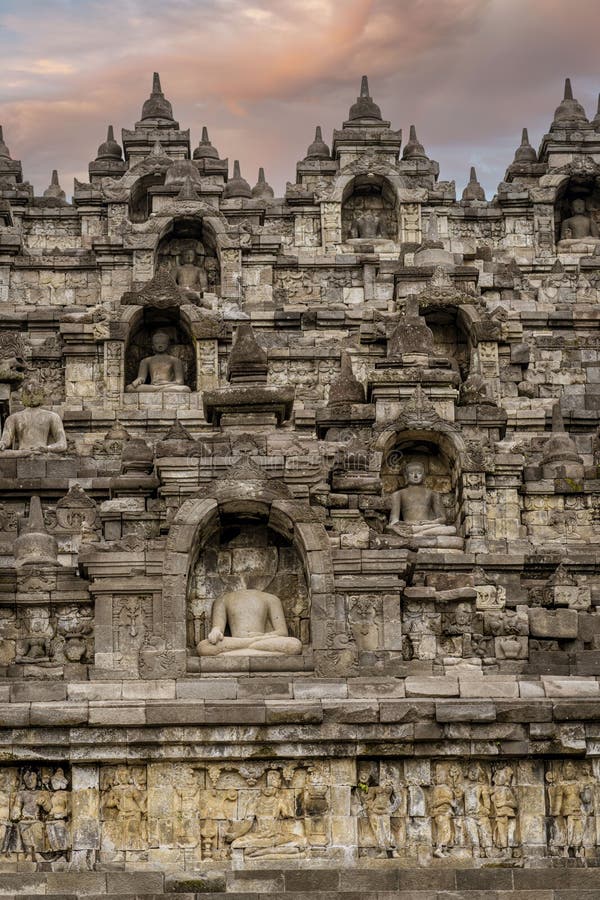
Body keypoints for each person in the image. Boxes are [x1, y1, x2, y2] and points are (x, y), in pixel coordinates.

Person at [197, 589, 302, 657]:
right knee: (203, 647)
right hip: (242, 641)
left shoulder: (272, 599)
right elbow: (218, 628)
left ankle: (240, 651)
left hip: (260, 640)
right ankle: (255, 648)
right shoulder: (222, 600)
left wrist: (262, 636)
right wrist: (215, 631)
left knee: (295, 645)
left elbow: (282, 632)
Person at [387, 461, 456, 538]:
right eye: (411, 473)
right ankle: (415, 533)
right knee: (390, 528)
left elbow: (442, 519)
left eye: (419, 473)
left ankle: (417, 535)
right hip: (408, 527)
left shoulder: (433, 494)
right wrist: (407, 524)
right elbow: (394, 521)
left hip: (427, 526)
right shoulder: (398, 494)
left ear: (424, 476)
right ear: (406, 476)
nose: (415, 476)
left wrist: (431, 522)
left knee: (452, 529)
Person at [0, 391, 67, 456]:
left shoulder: (52, 416)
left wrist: (46, 448)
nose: (31, 396)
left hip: (42, 453)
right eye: (28, 393)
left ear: (42, 396)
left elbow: (62, 444)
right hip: (22, 453)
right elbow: (6, 439)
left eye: (36, 393)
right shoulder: (13, 418)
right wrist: (2, 444)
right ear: (22, 397)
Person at [126, 331, 190, 393]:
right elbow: (142, 377)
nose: (160, 345)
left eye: (163, 343)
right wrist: (139, 380)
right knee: (129, 388)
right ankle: (159, 389)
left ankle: (158, 389)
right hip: (153, 386)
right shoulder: (145, 361)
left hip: (168, 385)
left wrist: (165, 383)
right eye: (157, 343)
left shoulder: (175, 360)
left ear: (168, 345)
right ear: (152, 345)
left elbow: (180, 381)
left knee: (185, 389)